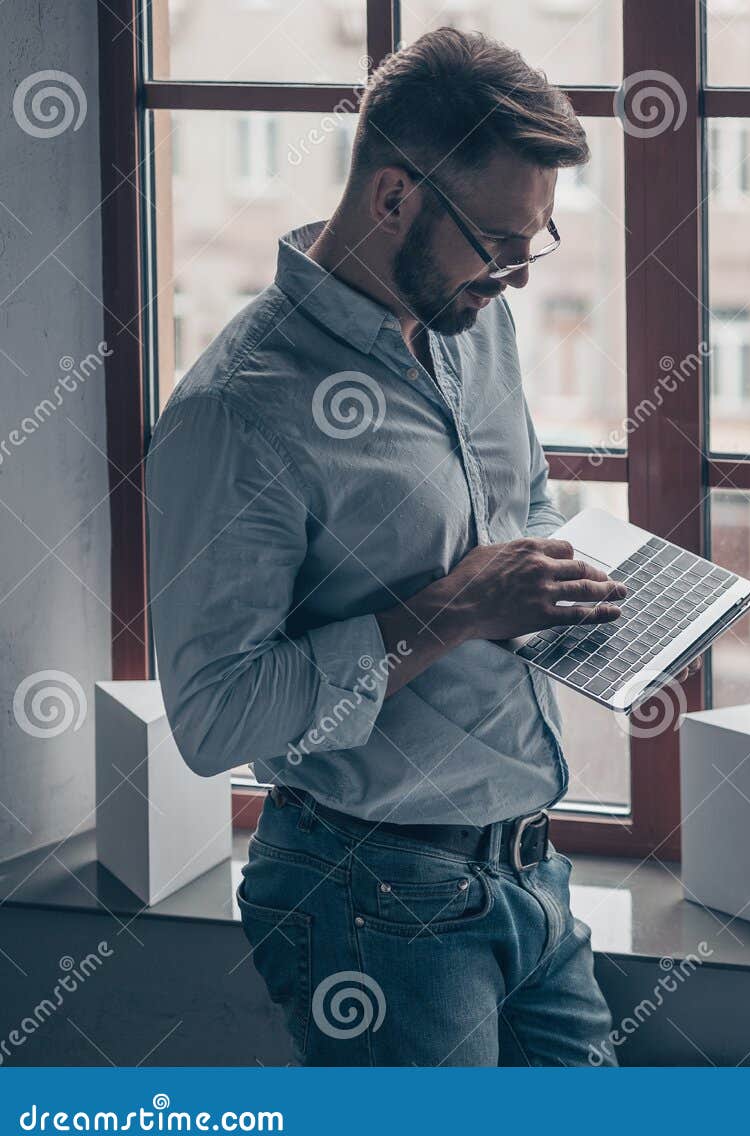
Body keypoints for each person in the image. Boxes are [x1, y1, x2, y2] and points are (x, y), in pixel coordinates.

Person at [147, 28, 630, 1066]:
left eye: (531, 243)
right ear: (394, 198)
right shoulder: (239, 414)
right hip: (369, 898)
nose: (515, 277)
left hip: (531, 876)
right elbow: (212, 714)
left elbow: (523, 502)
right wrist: (453, 611)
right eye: (499, 241)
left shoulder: (468, 316)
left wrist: (559, 584)